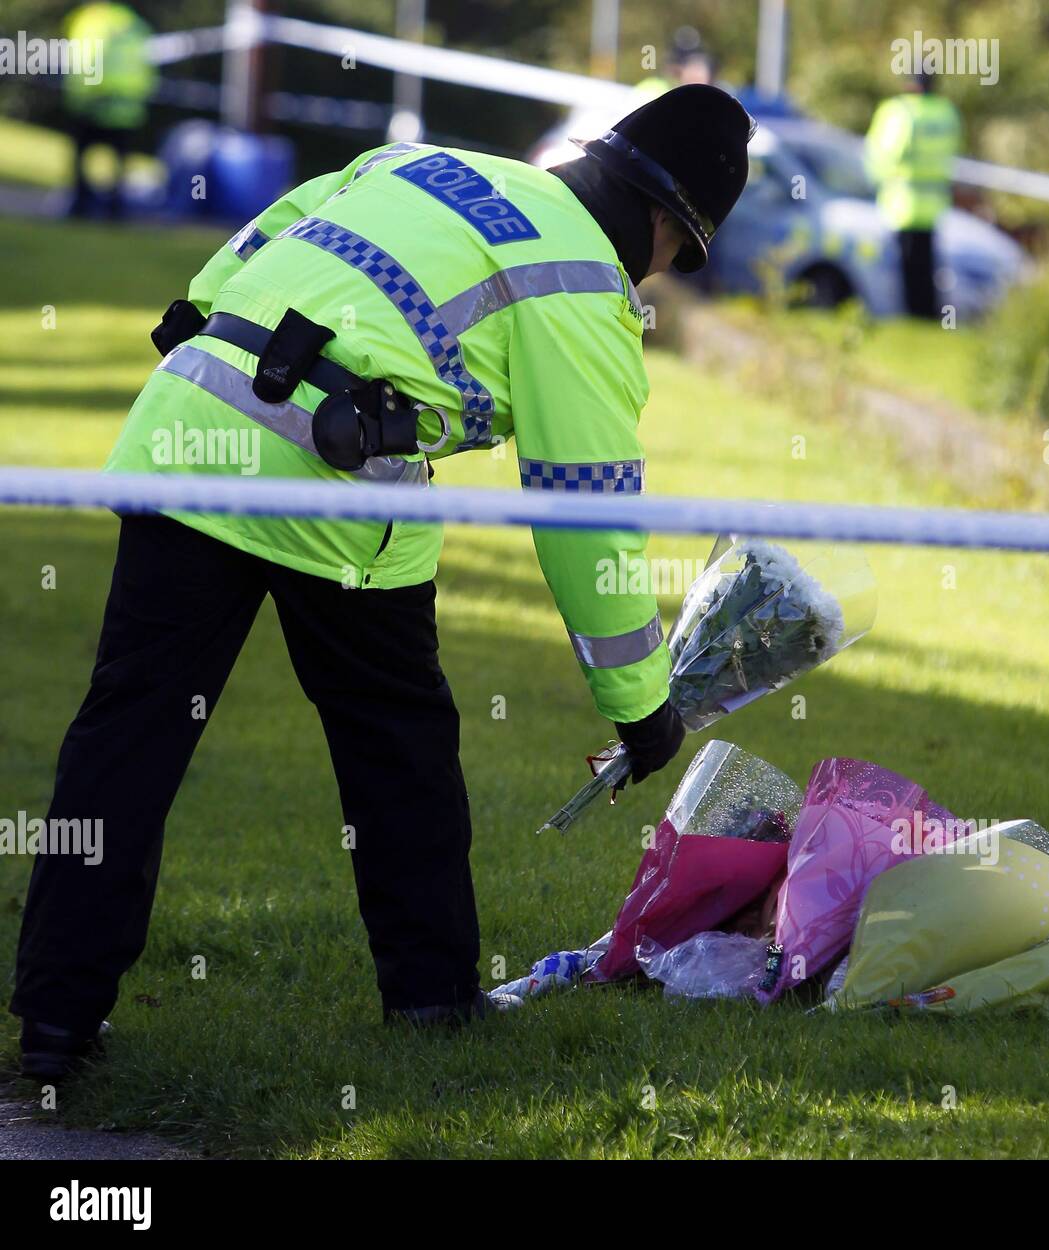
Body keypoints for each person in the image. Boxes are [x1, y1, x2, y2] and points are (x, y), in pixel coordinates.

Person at [13, 84, 755, 1080]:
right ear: (670, 227)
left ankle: (55, 1024)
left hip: (184, 422)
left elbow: (254, 244)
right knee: (396, 738)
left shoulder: (428, 163)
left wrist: (210, 349)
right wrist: (642, 706)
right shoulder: (581, 283)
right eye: (676, 259)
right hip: (331, 475)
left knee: (126, 734)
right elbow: (586, 512)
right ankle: (432, 1003)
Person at [865, 72, 961, 318]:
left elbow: (883, 154)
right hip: (933, 202)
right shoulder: (945, 112)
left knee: (905, 265)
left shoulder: (900, 112)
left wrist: (873, 181)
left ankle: (910, 314)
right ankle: (928, 313)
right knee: (927, 263)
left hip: (902, 201)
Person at [62, 2, 157, 218]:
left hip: (95, 103)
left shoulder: (90, 19)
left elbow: (88, 59)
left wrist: (84, 97)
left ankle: (81, 205)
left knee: (82, 157)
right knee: (119, 163)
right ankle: (116, 208)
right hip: (127, 108)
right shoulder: (135, 23)